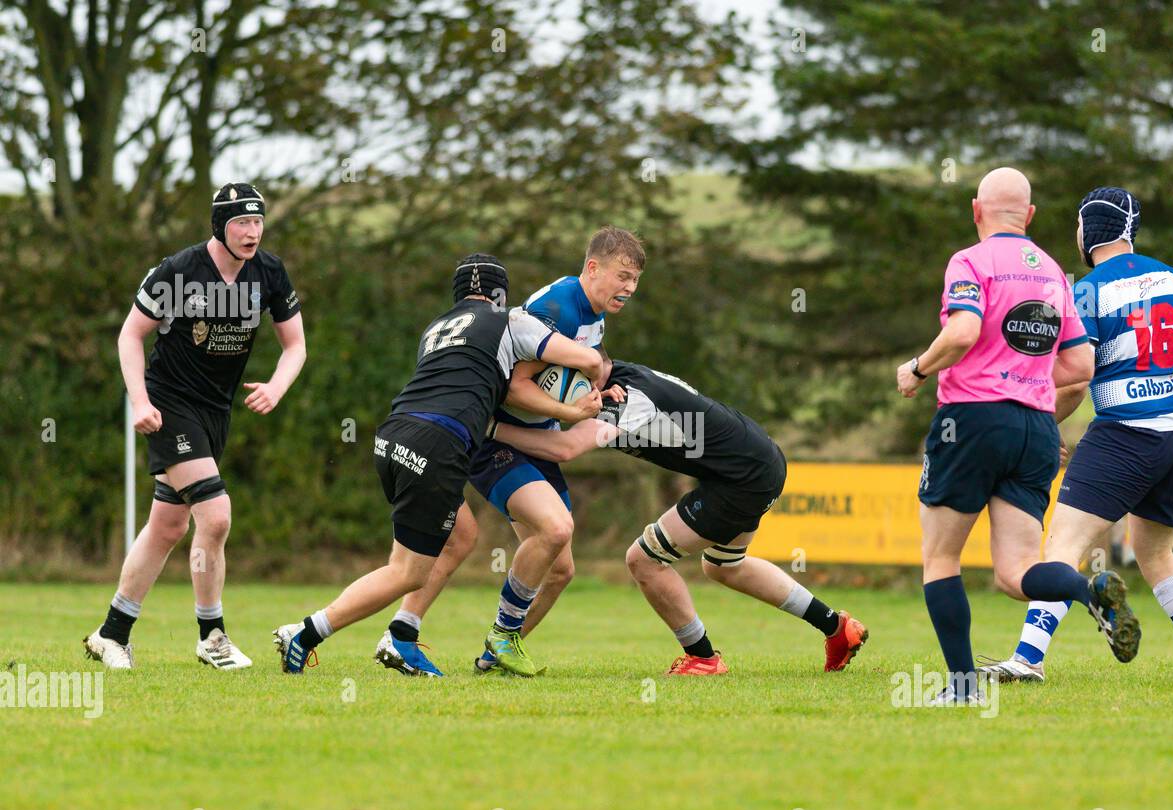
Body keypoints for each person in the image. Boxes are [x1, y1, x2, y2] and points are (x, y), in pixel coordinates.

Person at [272, 254, 605, 677]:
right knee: (407, 571)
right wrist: (575, 406)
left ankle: (402, 636)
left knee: (460, 536)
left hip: (393, 435)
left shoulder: (435, 330)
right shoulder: (509, 322)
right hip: (440, 443)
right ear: (501, 295)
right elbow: (590, 361)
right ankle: (304, 634)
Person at [895, 167, 1137, 705]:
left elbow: (962, 332)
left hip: (973, 420)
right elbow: (1080, 364)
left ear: (976, 210)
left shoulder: (970, 261)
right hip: (1035, 429)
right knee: (1017, 572)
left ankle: (962, 688)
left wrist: (917, 367)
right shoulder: (1054, 273)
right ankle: (1085, 589)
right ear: (1028, 216)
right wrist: (1022, 380)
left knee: (940, 558)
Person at [979, 187, 1173, 683]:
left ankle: (1028, 660)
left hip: (1127, 432)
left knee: (1061, 546)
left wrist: (1036, 423)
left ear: (1089, 230)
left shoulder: (1090, 289)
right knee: (1156, 552)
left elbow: (1077, 376)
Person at [375, 226, 642, 671]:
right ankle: (478, 635)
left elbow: (572, 371)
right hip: (498, 439)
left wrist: (597, 390)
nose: (629, 287)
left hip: (536, 440)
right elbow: (511, 387)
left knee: (559, 569)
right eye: (623, 276)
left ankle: (486, 657)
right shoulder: (557, 308)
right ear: (593, 268)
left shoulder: (594, 314)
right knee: (553, 530)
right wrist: (568, 410)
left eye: (635, 280)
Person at [492, 360, 868, 675]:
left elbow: (566, 448)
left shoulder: (626, 402)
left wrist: (492, 429)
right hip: (758, 460)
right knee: (724, 566)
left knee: (644, 560)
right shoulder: (620, 379)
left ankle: (702, 658)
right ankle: (836, 627)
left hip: (740, 479)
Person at [83, 183, 306, 671]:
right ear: (219, 227)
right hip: (168, 404)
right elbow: (130, 334)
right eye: (241, 223)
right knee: (216, 513)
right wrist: (139, 401)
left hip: (215, 412)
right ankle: (213, 636)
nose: (251, 233)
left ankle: (111, 633)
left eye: (257, 222)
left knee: (167, 525)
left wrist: (277, 386)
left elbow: (295, 346)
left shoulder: (268, 272)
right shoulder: (179, 270)